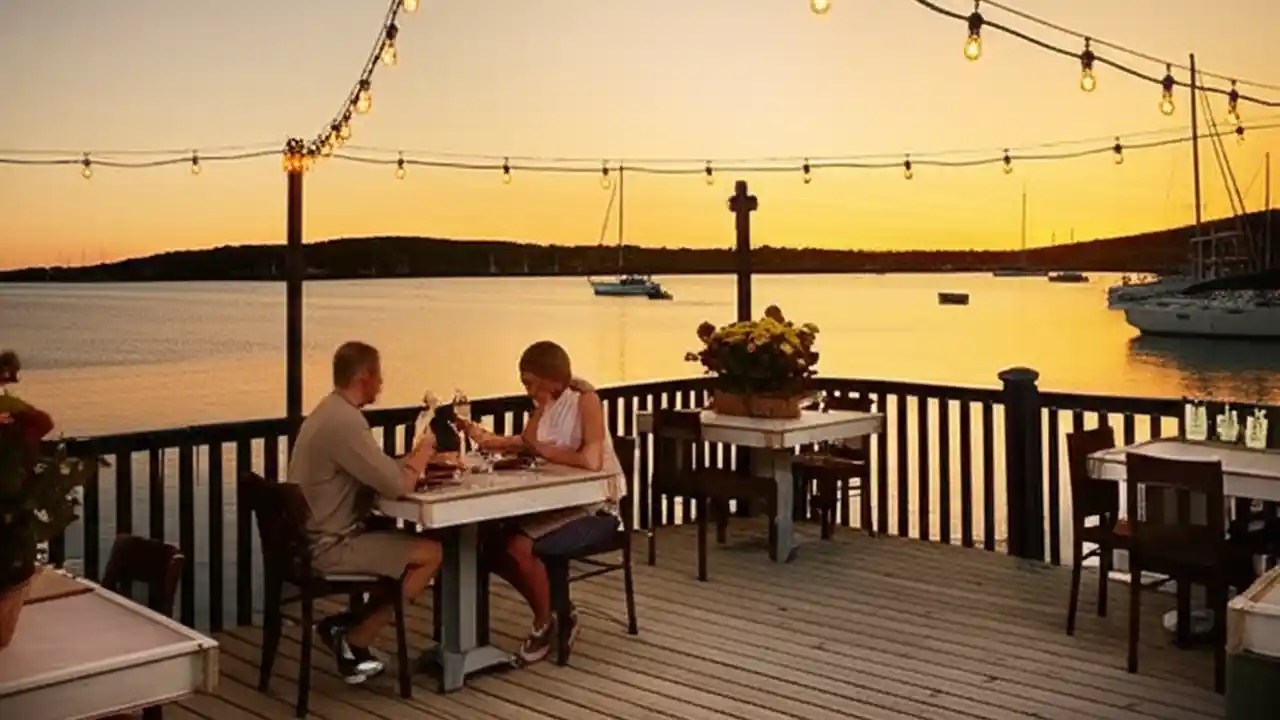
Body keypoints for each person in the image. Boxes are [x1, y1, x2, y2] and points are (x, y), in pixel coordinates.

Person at [460, 340, 624, 665]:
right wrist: (532, 412)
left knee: (519, 546)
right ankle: (553, 612)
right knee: (490, 543)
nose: (527, 390)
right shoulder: (549, 403)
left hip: (595, 505)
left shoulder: (586, 400)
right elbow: (528, 442)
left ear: (551, 378)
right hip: (557, 501)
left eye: (530, 383)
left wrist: (542, 451)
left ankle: (544, 624)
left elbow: (591, 460)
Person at [288, 341, 442, 683]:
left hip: (308, 539)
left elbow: (378, 472)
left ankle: (348, 625)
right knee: (431, 553)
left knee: (402, 545)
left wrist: (407, 465)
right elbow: (396, 486)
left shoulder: (328, 411)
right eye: (379, 376)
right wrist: (424, 453)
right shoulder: (347, 422)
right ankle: (355, 640)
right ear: (364, 376)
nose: (382, 384)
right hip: (330, 546)